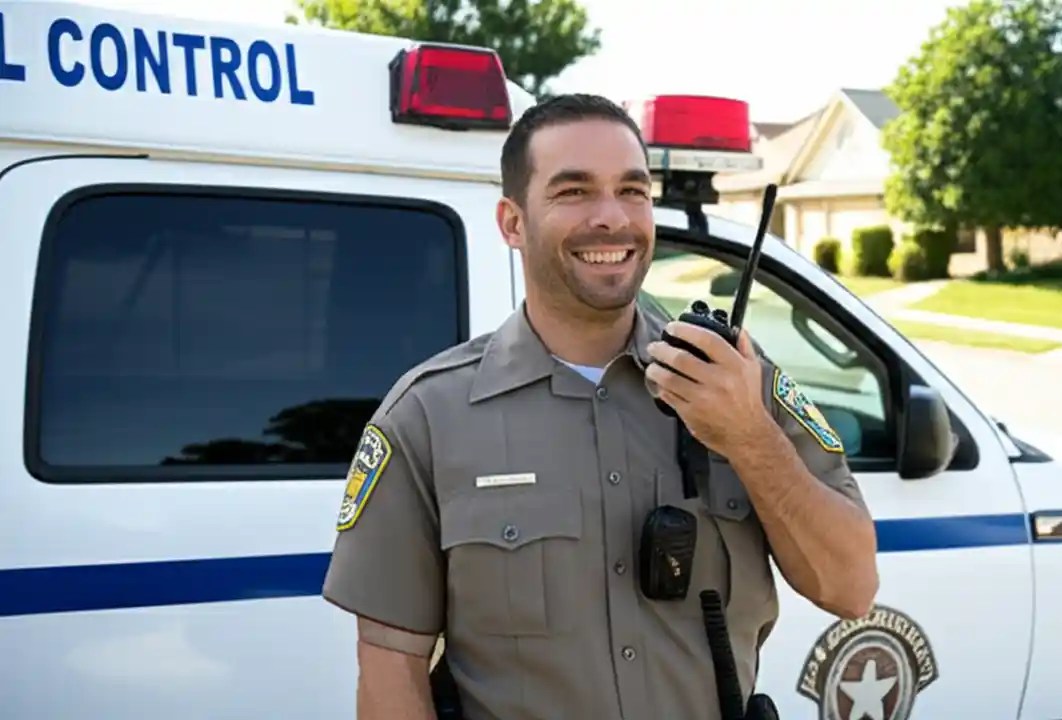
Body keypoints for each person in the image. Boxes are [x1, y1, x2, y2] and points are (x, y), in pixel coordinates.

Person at [321, 93, 879, 720]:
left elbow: (851, 587)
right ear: (512, 222)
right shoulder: (427, 418)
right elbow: (391, 672)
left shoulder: (735, 380)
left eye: (632, 190)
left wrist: (749, 437)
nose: (612, 218)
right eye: (574, 192)